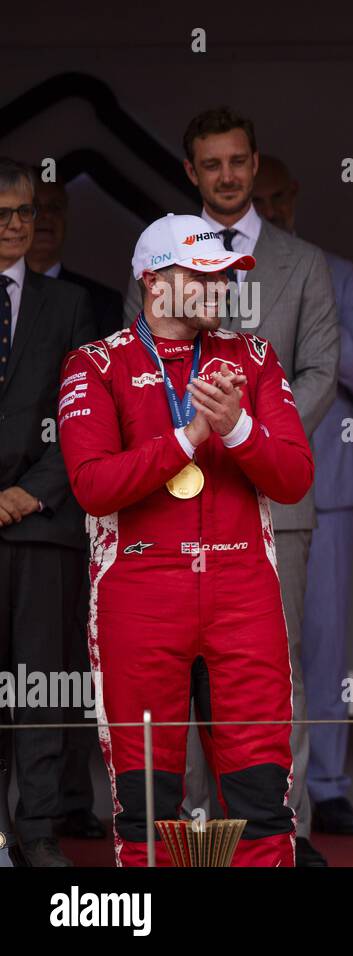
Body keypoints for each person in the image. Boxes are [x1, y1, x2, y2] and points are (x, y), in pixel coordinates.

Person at [60, 213, 313, 867]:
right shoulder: (96, 364)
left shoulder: (253, 359)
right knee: (147, 809)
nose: (222, 288)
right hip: (140, 595)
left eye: (226, 275)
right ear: (153, 281)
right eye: (203, 276)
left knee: (263, 804)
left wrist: (235, 430)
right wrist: (189, 438)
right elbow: (93, 485)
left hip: (244, 594)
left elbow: (293, 476)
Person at [121, 108, 339, 866]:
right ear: (192, 171)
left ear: (255, 163)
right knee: (171, 682)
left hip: (271, 494)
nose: (227, 174)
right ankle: (192, 845)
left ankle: (287, 828)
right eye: (211, 163)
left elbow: (321, 373)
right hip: (164, 510)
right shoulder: (156, 260)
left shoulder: (303, 261)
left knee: (277, 671)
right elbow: (138, 372)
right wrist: (194, 432)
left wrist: (253, 435)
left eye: (238, 160)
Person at [252, 155, 353, 835]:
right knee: (252, 648)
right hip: (242, 481)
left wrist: (315, 321)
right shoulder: (223, 270)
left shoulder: (335, 272)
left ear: (293, 196)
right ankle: (261, 791)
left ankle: (327, 785)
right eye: (258, 200)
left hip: (324, 481)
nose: (270, 211)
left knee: (322, 645)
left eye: (279, 199)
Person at [0, 158, 96, 867]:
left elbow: (84, 419)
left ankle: (36, 830)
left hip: (43, 524)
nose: (16, 226)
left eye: (25, 213)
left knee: (40, 687)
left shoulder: (70, 308)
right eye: (2, 215)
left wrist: (32, 490)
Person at [25, 170, 120, 841]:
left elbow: (102, 413)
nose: (41, 220)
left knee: (64, 669)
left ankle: (60, 806)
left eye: (53, 209)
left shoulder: (97, 301)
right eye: (31, 209)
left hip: (61, 513)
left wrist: (34, 489)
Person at [28, 175, 125, 340]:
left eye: (55, 207)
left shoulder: (101, 302)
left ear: (65, 220)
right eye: (34, 207)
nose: (46, 215)